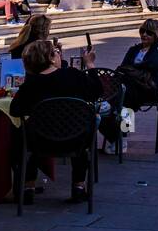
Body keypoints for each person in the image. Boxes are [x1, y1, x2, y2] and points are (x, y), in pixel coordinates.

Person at [10, 39, 103, 204]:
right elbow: (97, 91)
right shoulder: (73, 75)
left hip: (40, 141)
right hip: (75, 139)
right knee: (90, 123)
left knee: (23, 132)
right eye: (56, 52)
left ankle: (28, 186)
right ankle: (79, 186)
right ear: (51, 58)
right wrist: (90, 64)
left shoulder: (31, 84)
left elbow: (15, 110)